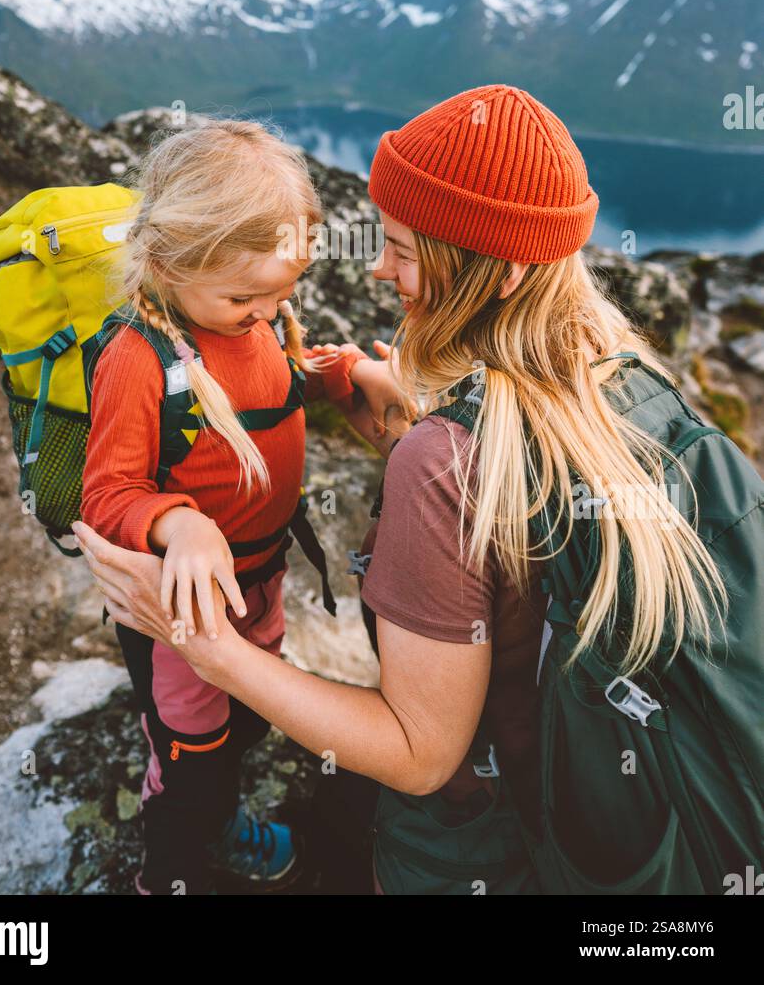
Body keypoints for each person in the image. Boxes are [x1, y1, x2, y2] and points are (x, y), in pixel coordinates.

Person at [75, 85, 744, 895]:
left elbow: (421, 758)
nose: (376, 267)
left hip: (486, 849)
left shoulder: (444, 460)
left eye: (400, 247)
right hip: (633, 823)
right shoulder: (630, 383)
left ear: (491, 272)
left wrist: (202, 646)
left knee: (274, 762)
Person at [80, 118, 402, 895]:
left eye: (282, 294)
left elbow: (287, 374)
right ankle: (172, 871)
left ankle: (219, 816)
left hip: (260, 585)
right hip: (181, 613)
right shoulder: (138, 357)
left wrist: (353, 371)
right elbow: (107, 493)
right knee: (193, 759)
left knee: (250, 715)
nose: (265, 311)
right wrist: (178, 520)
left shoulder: (252, 319)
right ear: (165, 261)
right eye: (244, 296)